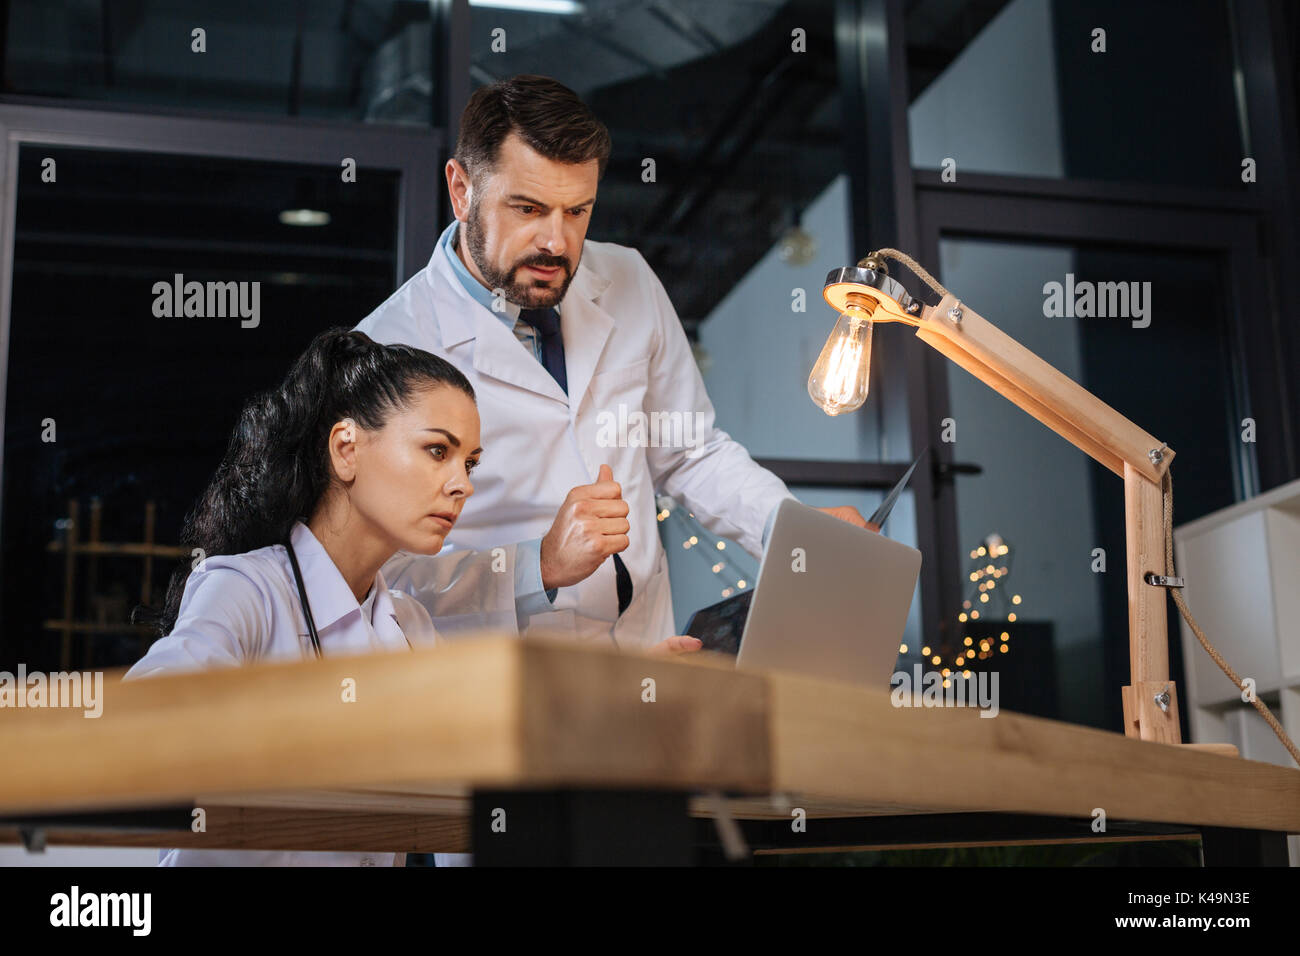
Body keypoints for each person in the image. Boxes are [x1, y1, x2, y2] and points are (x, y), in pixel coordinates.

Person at [356, 74, 877, 650]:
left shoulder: (628, 278)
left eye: (577, 211)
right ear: (461, 190)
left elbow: (689, 452)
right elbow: (379, 580)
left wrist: (789, 528)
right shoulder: (384, 350)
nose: (556, 242)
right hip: (502, 687)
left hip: (647, 651)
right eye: (528, 208)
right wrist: (539, 566)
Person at [124, 327, 667, 866]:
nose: (463, 485)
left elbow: (475, 788)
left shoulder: (408, 628)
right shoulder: (247, 590)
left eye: (470, 463)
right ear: (346, 450)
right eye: (438, 451)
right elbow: (137, 729)